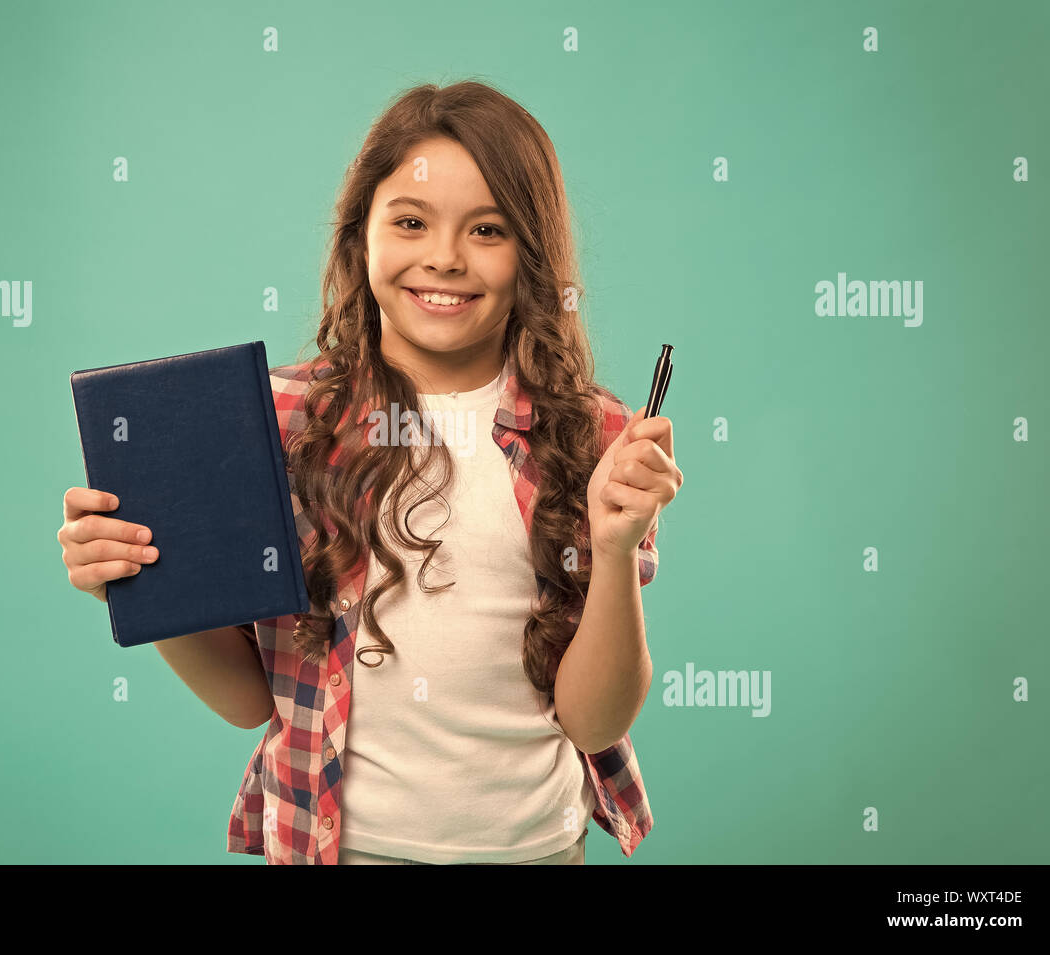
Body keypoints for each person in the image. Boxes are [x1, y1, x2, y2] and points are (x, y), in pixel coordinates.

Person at [57, 80, 682, 865]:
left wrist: (616, 548)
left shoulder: (594, 434)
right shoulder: (276, 420)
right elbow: (247, 699)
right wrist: (144, 582)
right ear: (360, 238)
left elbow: (594, 721)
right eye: (411, 222)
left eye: (487, 229)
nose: (444, 257)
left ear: (531, 254)